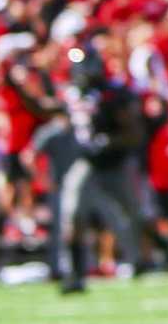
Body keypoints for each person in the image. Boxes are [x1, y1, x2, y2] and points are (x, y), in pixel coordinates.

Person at [55, 46, 150, 294]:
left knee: (130, 214)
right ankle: (74, 273)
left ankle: (138, 260)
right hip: (86, 163)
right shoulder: (73, 94)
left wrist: (110, 142)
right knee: (72, 213)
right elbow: (48, 111)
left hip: (115, 163)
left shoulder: (113, 94)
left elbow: (134, 132)